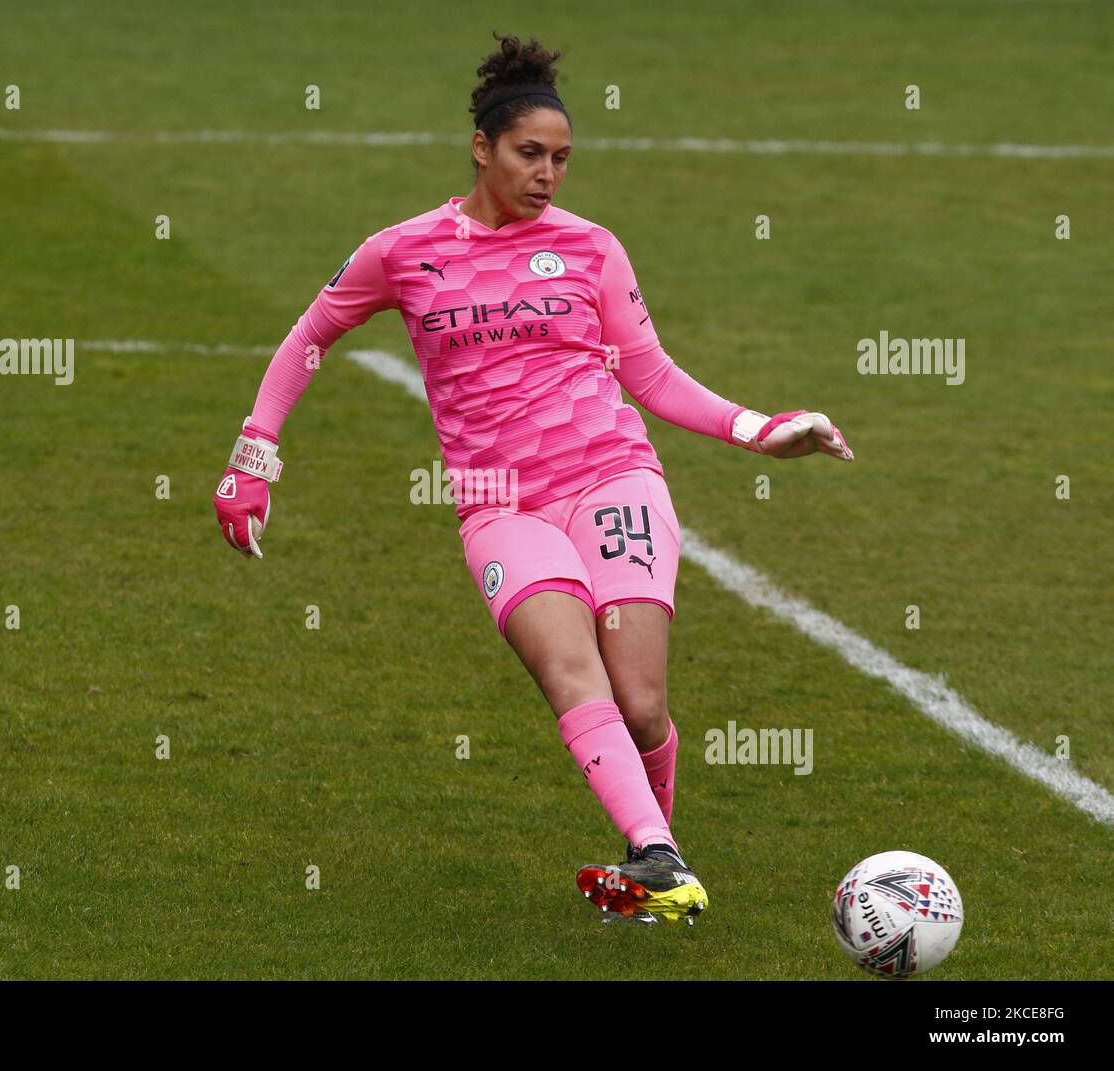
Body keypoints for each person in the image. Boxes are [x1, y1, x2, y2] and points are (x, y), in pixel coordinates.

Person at [213, 33, 853, 925]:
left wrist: (761, 429)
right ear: (482, 148)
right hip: (500, 506)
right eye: (529, 153)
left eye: (561, 158)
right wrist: (255, 454)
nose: (548, 174)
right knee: (568, 668)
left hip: (612, 479)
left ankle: (652, 864)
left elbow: (653, 374)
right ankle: (660, 856)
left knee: (641, 703)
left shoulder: (591, 249)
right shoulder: (403, 251)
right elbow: (310, 336)